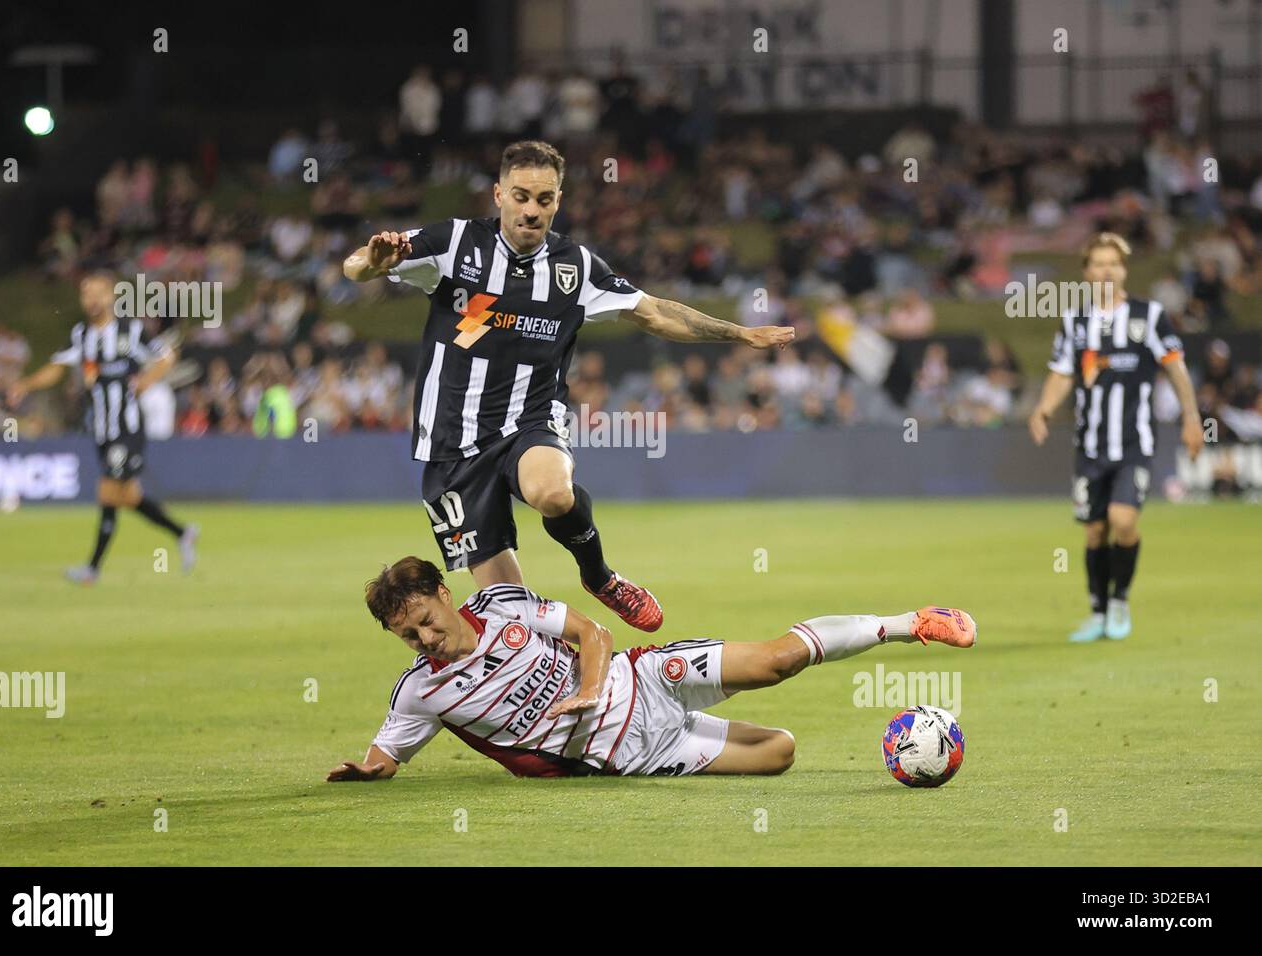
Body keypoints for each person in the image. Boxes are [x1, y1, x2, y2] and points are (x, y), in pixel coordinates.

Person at [342, 140, 793, 632]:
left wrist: (737, 332)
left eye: (544, 199)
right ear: (498, 195)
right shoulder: (454, 243)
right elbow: (356, 267)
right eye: (521, 196)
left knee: (553, 494)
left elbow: (653, 312)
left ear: (559, 201)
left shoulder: (574, 267)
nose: (531, 210)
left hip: (528, 423)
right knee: (509, 608)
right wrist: (375, 260)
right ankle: (571, 678)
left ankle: (599, 577)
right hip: (450, 440)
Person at [327, 557, 976, 781]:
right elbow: (387, 752)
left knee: (776, 663)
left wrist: (587, 688)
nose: (423, 639)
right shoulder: (423, 691)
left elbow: (593, 632)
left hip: (644, 678)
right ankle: (700, 728)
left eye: (424, 620)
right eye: (406, 636)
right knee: (782, 751)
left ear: (444, 595)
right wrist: (368, 772)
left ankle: (908, 623)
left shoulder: (503, 606)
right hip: (642, 753)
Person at [1029, 233, 1203, 642]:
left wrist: (1192, 416)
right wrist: (1043, 408)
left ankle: (1120, 600)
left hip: (1134, 442)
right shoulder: (1075, 322)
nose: (1107, 270)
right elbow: (1061, 373)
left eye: (1114, 263)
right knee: (1094, 531)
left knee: (1123, 521)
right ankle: (1097, 611)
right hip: (1089, 445)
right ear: (1087, 273)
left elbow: (1175, 368)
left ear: (1123, 270)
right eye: (1099, 264)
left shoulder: (1150, 315)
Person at [6, 272, 198, 584]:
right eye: (86, 294)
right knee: (128, 496)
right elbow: (57, 367)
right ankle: (183, 533)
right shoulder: (81, 335)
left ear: (111, 297)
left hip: (128, 428)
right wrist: (26, 384)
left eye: (98, 293)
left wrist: (148, 380)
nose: (92, 299)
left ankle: (91, 569)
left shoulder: (130, 330)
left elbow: (167, 356)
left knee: (107, 492)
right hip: (102, 430)